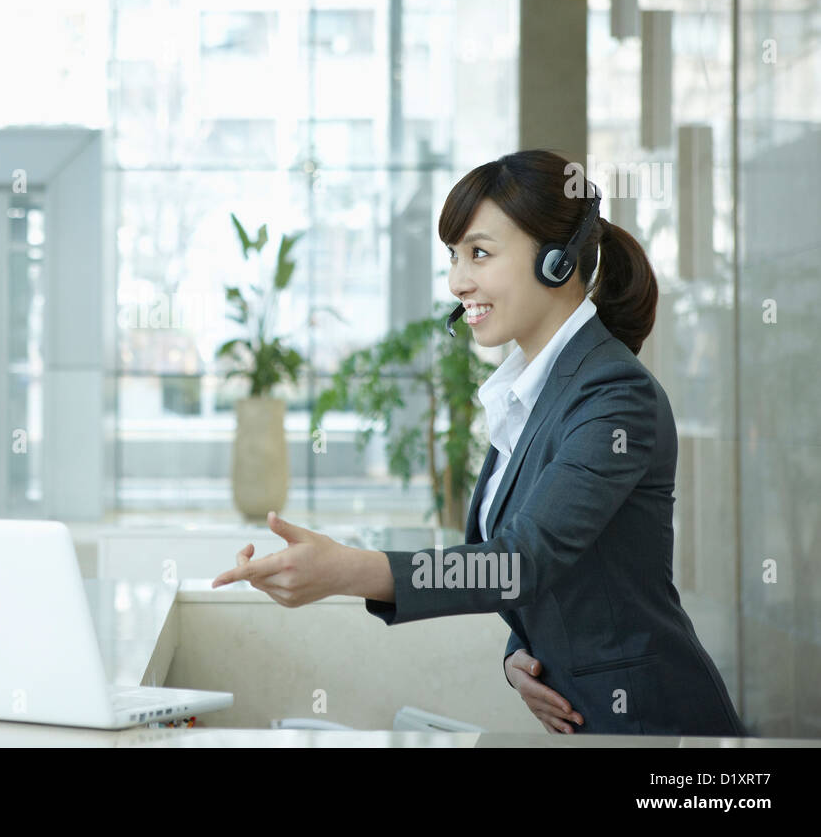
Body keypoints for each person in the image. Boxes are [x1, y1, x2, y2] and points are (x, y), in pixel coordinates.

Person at [212, 149, 747, 737]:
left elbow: (522, 560)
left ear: (557, 263)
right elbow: (558, 568)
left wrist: (349, 570)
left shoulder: (614, 396)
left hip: (654, 724)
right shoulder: (531, 392)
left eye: (480, 253)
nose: (457, 281)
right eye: (454, 256)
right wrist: (521, 653)